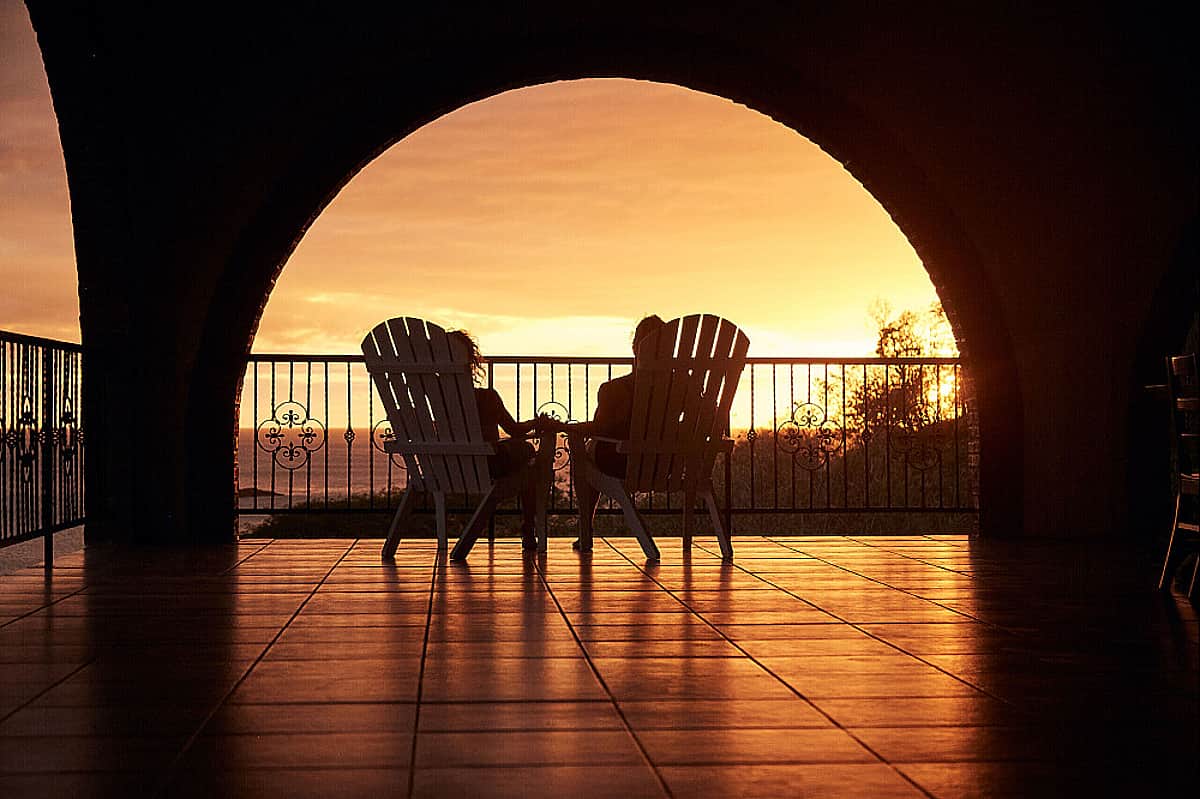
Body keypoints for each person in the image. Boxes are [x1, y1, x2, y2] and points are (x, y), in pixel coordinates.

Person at [537, 315, 666, 546]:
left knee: (585, 451)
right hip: (666, 463)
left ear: (636, 347)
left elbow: (600, 427)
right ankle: (585, 530)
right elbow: (710, 411)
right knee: (589, 448)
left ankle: (585, 530)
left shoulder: (614, 389)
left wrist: (563, 427)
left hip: (622, 462)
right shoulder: (683, 388)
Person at [447, 330, 545, 549]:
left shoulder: (432, 399)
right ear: (470, 361)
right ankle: (529, 527)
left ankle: (529, 526)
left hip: (445, 465)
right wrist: (537, 424)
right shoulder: (486, 397)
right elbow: (515, 430)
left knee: (528, 466)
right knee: (529, 457)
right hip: (487, 465)